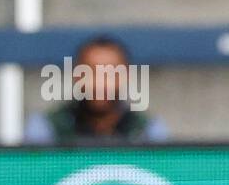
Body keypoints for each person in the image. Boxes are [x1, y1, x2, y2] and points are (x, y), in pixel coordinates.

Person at [24, 35, 169, 144]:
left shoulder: (148, 131)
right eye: (90, 72)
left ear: (126, 76)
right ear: (76, 75)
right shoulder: (46, 129)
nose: (100, 82)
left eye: (111, 72)